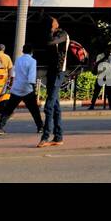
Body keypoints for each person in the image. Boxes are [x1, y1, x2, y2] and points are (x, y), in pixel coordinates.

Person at [0, 43, 44, 135]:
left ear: (23, 51)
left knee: (8, 110)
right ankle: (40, 127)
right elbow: (31, 78)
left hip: (16, 88)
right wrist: (34, 90)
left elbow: (13, 74)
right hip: (27, 89)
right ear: (32, 52)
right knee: (34, 110)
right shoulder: (32, 61)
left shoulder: (18, 60)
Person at [39, 17, 69, 147]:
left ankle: (45, 136)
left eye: (51, 23)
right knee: (55, 105)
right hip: (51, 71)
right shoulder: (51, 34)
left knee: (49, 105)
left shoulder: (62, 34)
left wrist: (51, 30)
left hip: (59, 71)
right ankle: (58, 136)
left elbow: (50, 42)